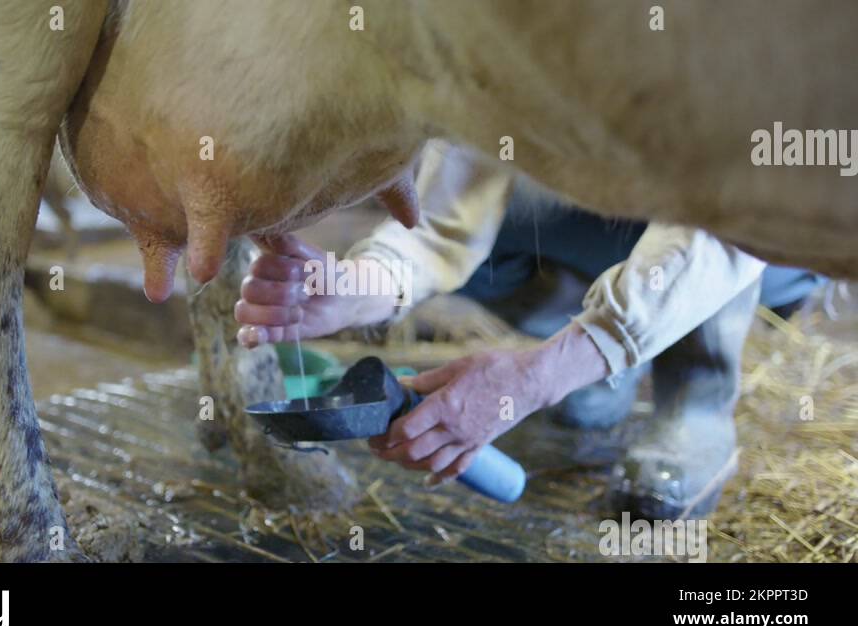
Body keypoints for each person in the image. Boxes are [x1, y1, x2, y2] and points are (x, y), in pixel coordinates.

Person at [234, 141, 823, 519]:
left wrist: (541, 377)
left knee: (731, 213)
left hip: (768, 223)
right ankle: (592, 355)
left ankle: (695, 399)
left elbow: (736, 220)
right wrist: (363, 285)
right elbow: (453, 198)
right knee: (516, 208)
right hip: (609, 194)